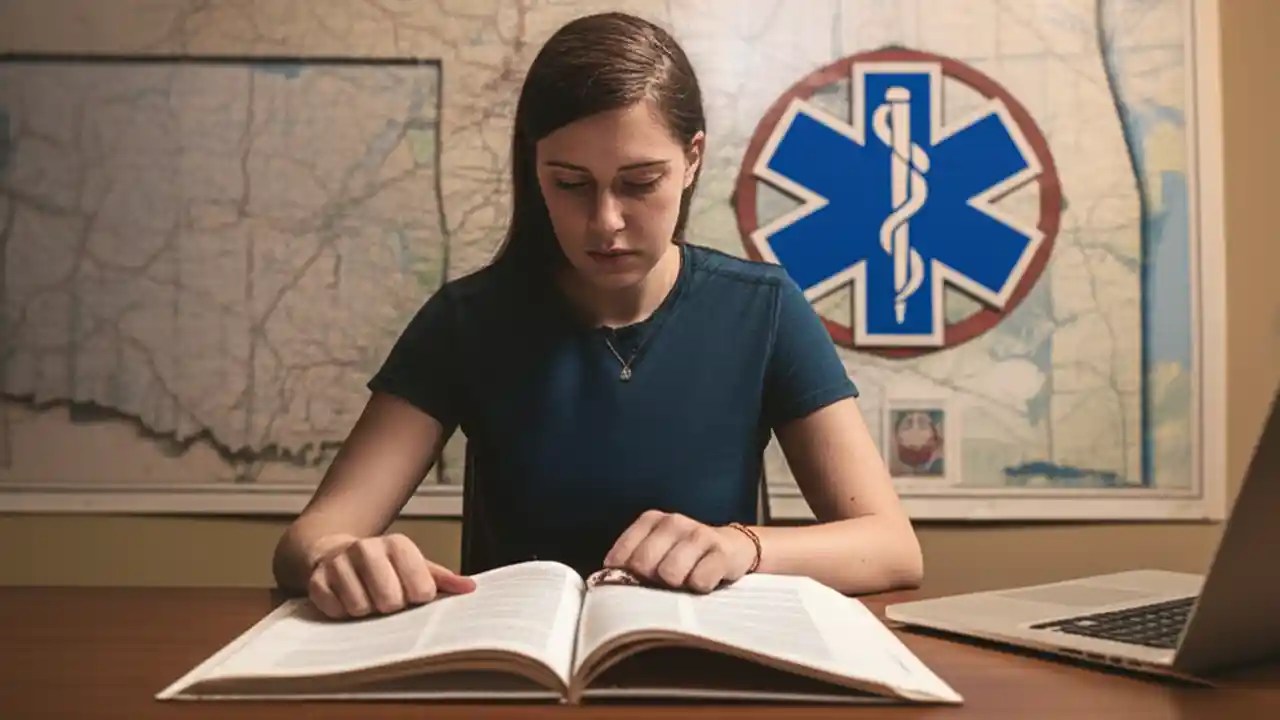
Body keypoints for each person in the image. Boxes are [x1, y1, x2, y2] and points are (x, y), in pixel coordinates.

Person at [273, 11, 923, 620]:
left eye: (640, 183)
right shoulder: (466, 320)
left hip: (696, 667)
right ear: (533, 168)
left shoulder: (764, 308)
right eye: (570, 183)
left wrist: (741, 546)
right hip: (512, 671)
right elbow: (309, 539)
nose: (606, 222)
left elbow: (893, 548)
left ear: (693, 159)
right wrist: (342, 557)